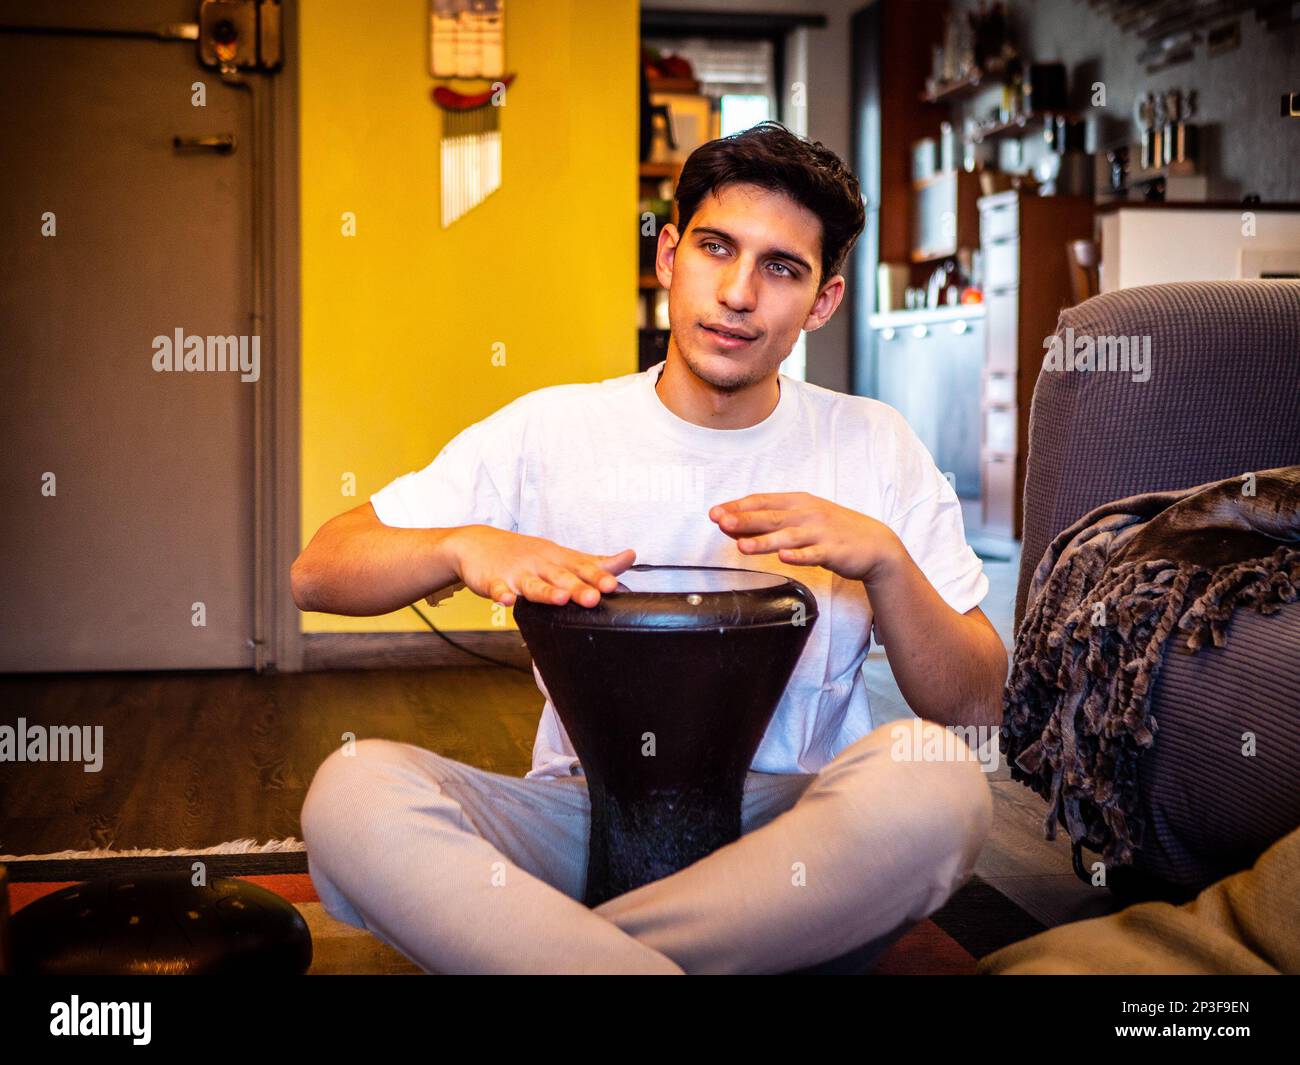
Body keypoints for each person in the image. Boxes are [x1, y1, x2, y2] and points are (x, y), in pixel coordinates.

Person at [293, 121, 1003, 975]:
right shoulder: (554, 427)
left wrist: (887, 561)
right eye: (715, 248)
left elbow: (976, 709)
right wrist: (463, 545)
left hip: (789, 847)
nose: (738, 292)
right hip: (583, 819)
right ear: (669, 255)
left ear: (822, 302)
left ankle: (567, 956)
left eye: (782, 268)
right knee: (353, 790)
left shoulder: (874, 442)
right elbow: (319, 570)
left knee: (940, 780)